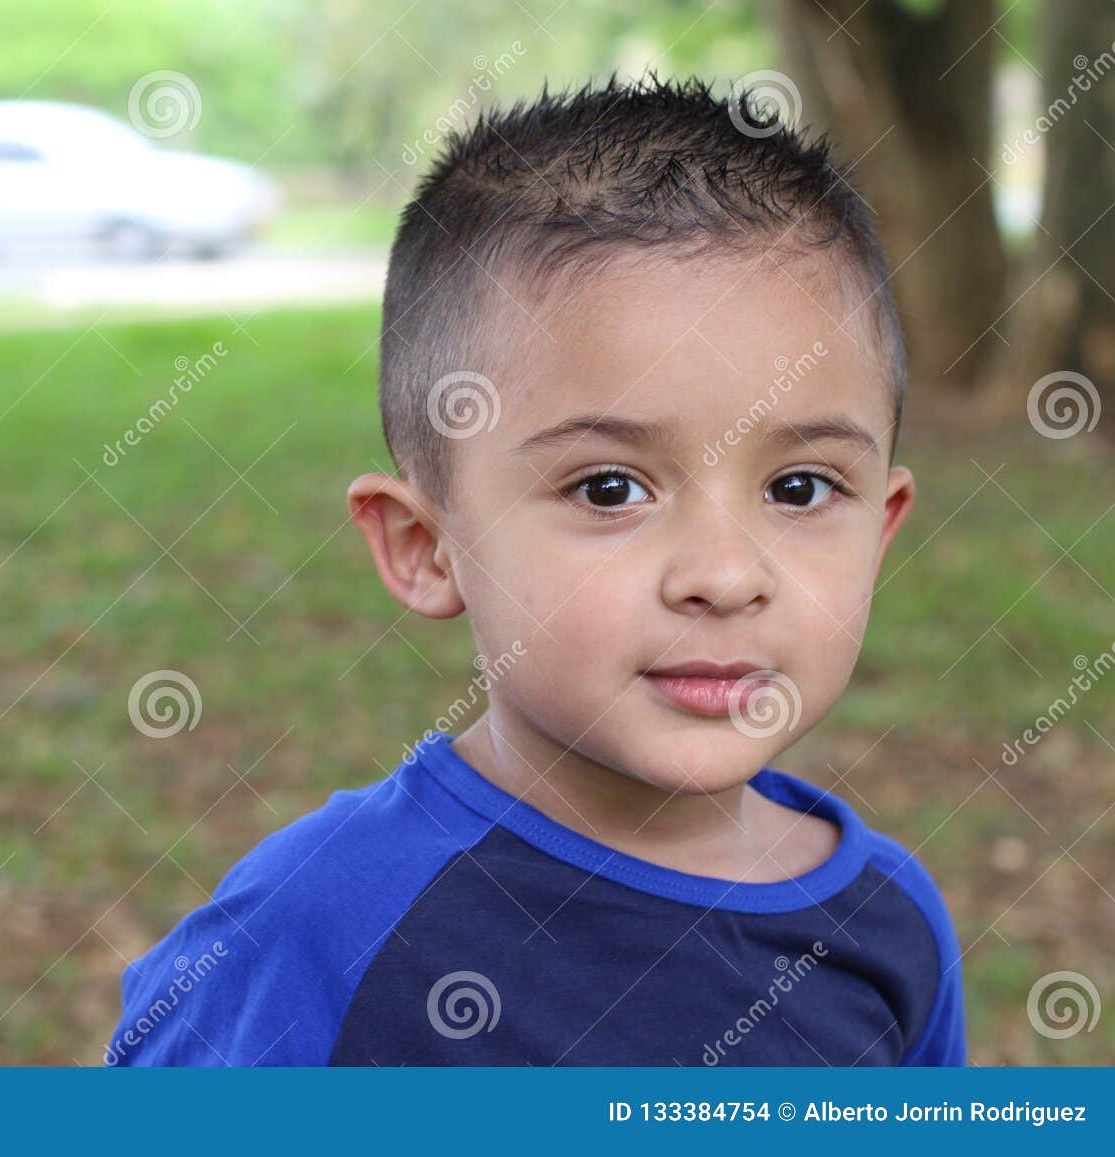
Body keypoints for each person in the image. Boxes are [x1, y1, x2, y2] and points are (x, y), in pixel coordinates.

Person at [106, 76, 965, 1067]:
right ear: (424, 547)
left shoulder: (886, 926)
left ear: (882, 528)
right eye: (608, 489)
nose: (725, 574)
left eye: (803, 488)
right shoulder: (316, 938)